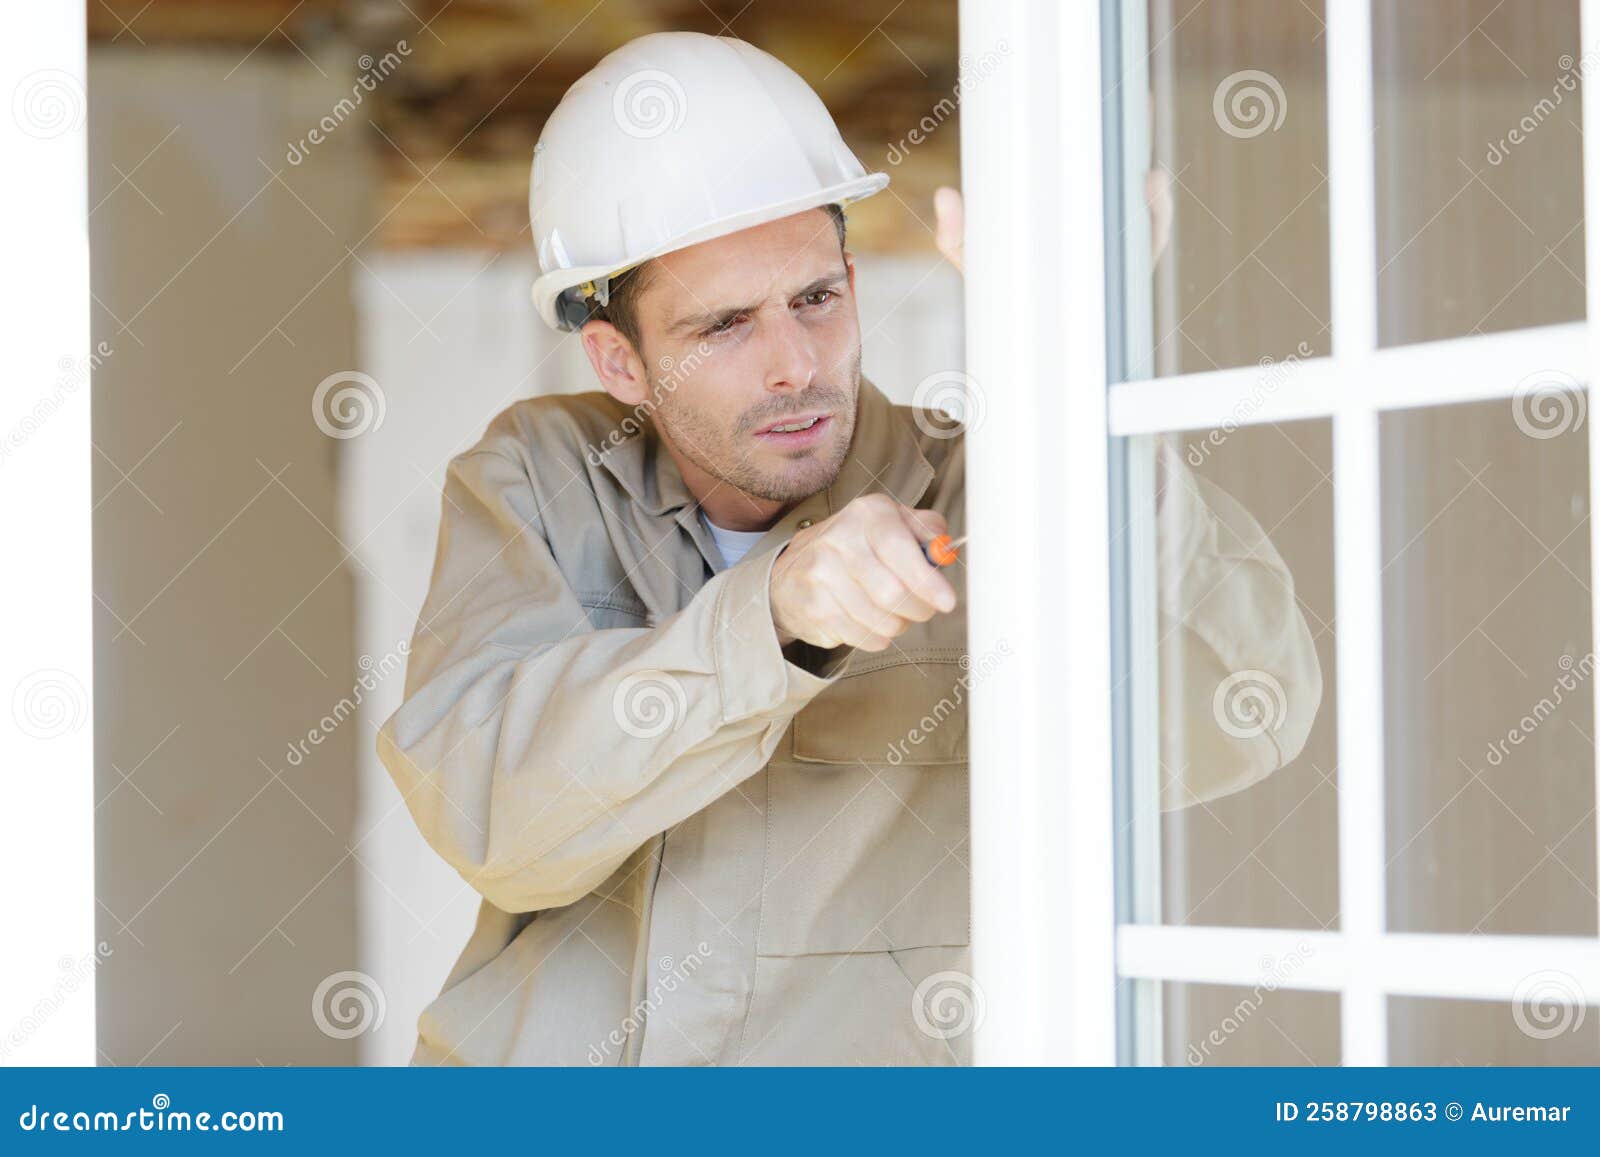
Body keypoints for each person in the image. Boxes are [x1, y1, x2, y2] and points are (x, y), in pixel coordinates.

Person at [376, 30, 1322, 1066]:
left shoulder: (983, 481)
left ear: (853, 283)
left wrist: (1081, 386)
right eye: (722, 325)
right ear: (621, 361)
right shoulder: (544, 475)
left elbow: (1246, 716)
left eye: (815, 300)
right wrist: (775, 615)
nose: (793, 364)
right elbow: (496, 825)